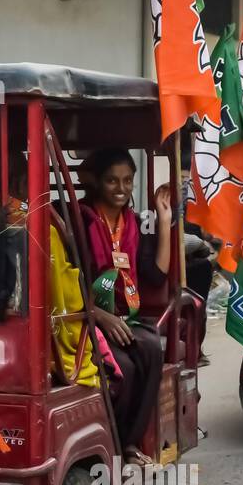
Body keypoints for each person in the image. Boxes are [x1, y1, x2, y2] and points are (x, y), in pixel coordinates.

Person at [79, 148, 170, 465]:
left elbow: (156, 273)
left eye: (127, 181)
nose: (120, 188)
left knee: (151, 348)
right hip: (86, 317)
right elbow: (70, 280)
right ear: (98, 183)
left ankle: (131, 446)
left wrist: (165, 219)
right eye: (112, 181)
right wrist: (100, 318)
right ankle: (116, 445)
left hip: (124, 317)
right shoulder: (82, 220)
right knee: (125, 369)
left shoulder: (132, 223)